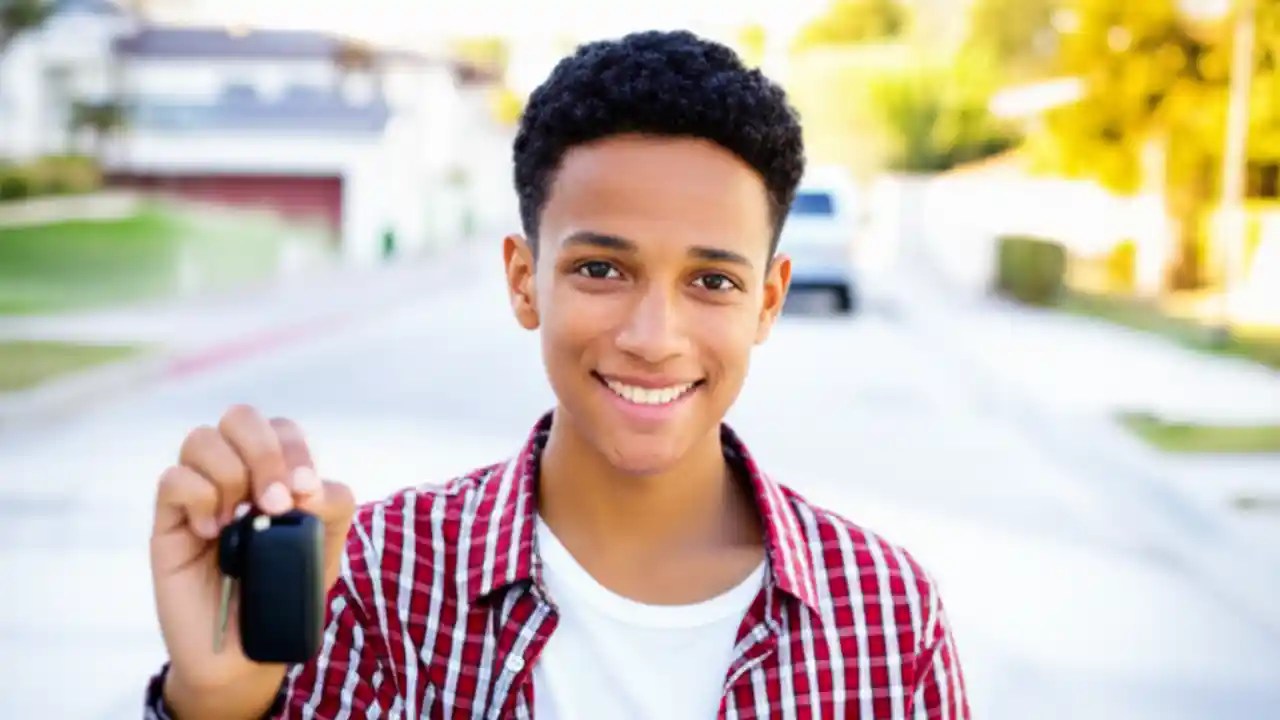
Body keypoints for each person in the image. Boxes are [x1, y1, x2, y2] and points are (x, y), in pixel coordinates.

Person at [144, 29, 969, 720]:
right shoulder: (369, 583)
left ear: (768, 300)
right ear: (523, 280)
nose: (653, 338)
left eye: (712, 281)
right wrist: (216, 705)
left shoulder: (889, 620)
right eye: (601, 270)